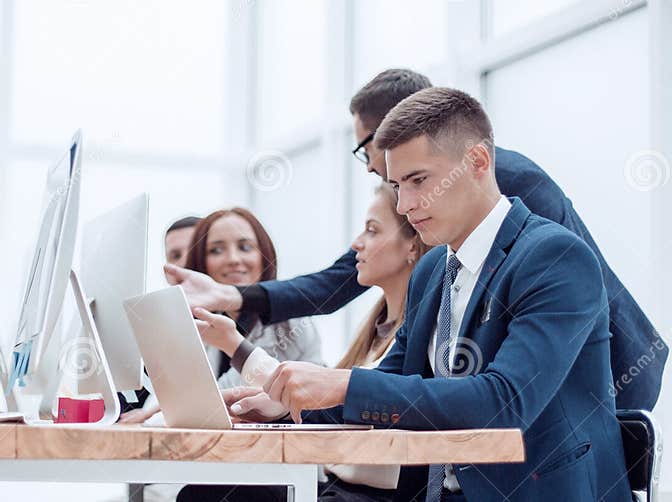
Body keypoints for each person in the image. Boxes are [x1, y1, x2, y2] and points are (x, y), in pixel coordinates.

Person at [165, 68, 666, 412]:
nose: (380, 178)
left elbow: (526, 356)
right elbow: (346, 286)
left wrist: (340, 385)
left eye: (369, 149)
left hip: (610, 380)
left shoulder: (521, 199)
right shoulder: (434, 256)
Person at [228, 88, 632, 502]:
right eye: (397, 185)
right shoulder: (432, 270)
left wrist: (341, 385)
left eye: (419, 180)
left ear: (477, 162)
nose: (404, 205)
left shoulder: (555, 257)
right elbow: (395, 382)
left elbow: (502, 403)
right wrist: (293, 404)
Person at [180, 187, 430, 502]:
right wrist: (280, 409)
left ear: (413, 244)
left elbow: (357, 404)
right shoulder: (372, 332)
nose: (355, 245)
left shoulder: (413, 337)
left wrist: (236, 347)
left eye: (372, 230)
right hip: (333, 483)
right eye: (216, 250)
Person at [121, 208, 322, 424]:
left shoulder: (289, 324)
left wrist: (148, 418)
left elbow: (220, 400)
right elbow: (185, 394)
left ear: (265, 254)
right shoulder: (209, 320)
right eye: (216, 251)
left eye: (245, 247)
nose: (233, 259)